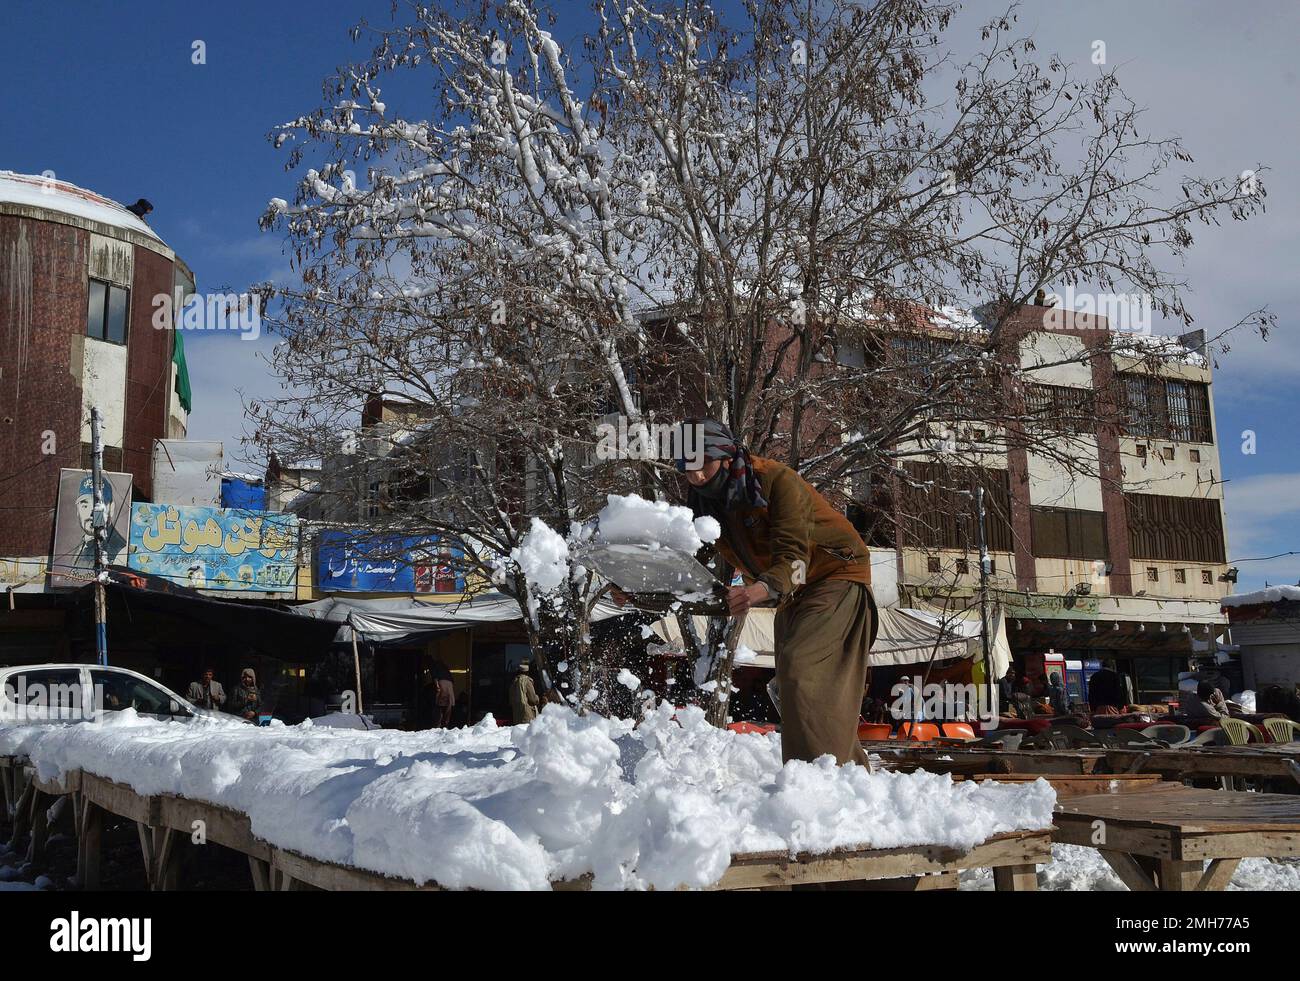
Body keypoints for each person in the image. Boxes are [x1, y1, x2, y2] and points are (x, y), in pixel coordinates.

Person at [677, 419, 876, 766]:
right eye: (685, 466)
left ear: (725, 456)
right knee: (793, 688)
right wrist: (636, 589)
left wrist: (760, 589)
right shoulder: (706, 501)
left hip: (836, 576)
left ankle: (815, 787)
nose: (695, 476)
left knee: (803, 674)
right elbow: (685, 560)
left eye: (701, 463)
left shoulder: (776, 481)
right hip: (791, 593)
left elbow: (794, 560)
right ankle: (850, 782)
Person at [430, 658, 455, 728]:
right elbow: (452, 680)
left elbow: (435, 677)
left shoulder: (433, 666)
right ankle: (446, 725)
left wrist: (437, 686)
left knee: (439, 706)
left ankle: (438, 725)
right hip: (450, 685)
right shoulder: (445, 667)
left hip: (442, 684)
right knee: (448, 706)